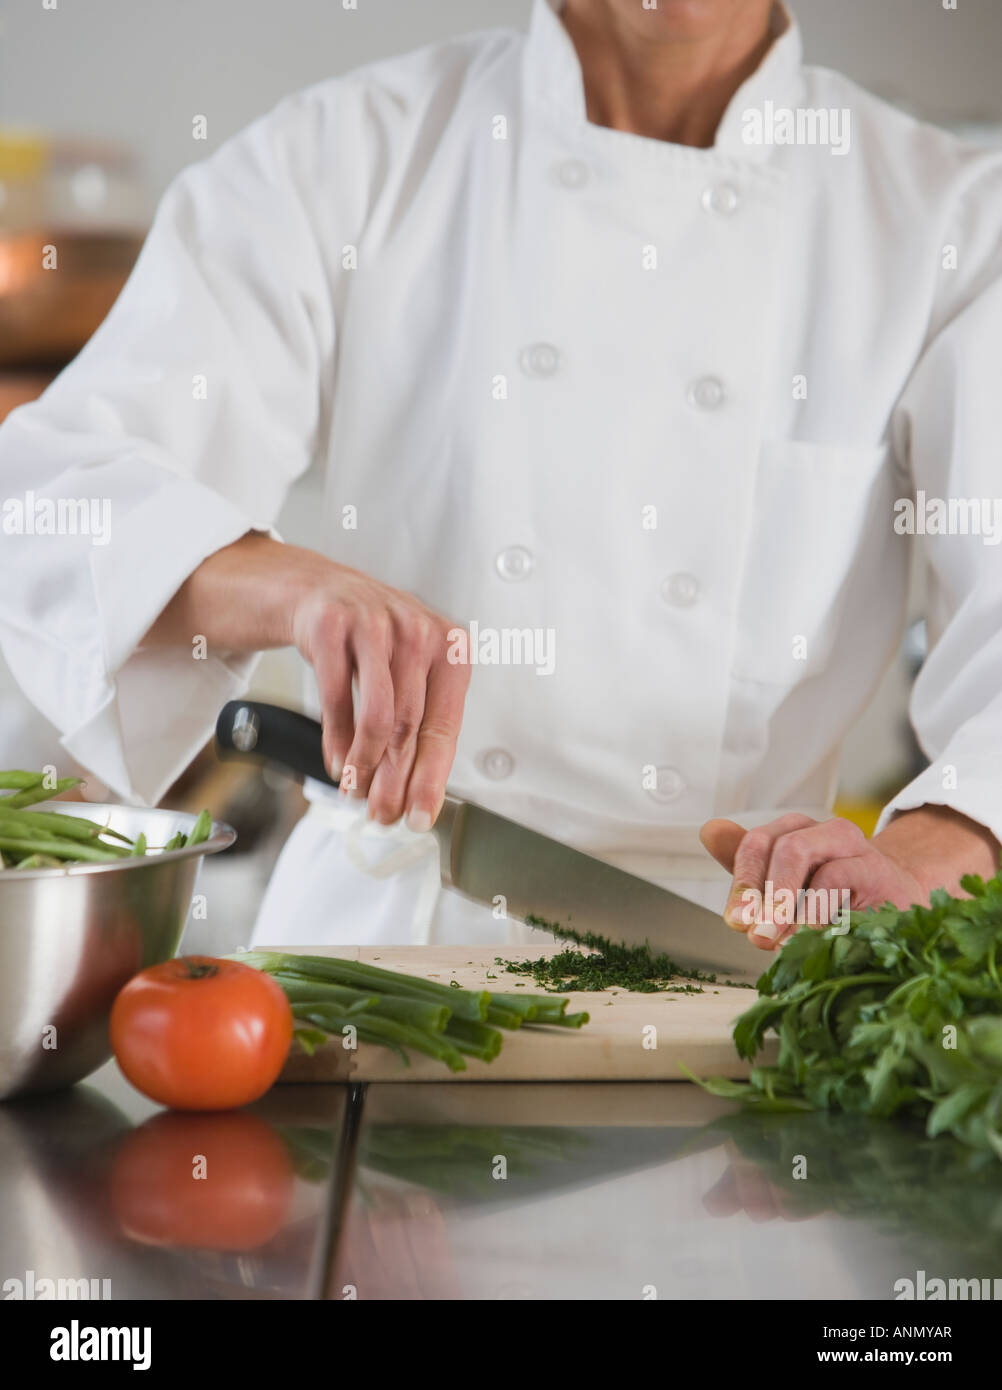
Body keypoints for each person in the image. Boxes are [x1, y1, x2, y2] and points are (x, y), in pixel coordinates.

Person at [1, 0, 1000, 952]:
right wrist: (290, 583)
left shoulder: (949, 217)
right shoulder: (349, 155)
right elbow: (51, 491)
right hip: (377, 955)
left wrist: (934, 843)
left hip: (744, 973)